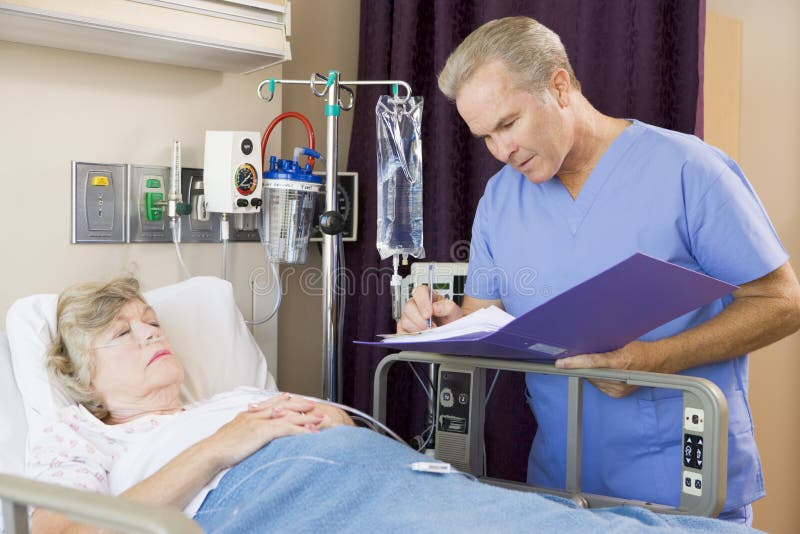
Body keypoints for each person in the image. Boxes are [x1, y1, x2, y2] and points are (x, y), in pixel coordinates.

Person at [398, 16, 800, 526]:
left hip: (681, 486)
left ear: (559, 86)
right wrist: (441, 324)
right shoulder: (501, 199)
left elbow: (782, 302)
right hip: (562, 493)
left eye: (508, 125)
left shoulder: (687, 170)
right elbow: (484, 324)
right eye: (485, 137)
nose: (501, 151)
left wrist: (655, 358)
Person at [26, 276, 757, 533]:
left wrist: (334, 424)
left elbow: (349, 439)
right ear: (84, 376)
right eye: (123, 333)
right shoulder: (83, 436)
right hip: (274, 504)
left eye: (152, 320)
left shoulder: (234, 397)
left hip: (383, 482)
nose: (150, 333)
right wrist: (226, 445)